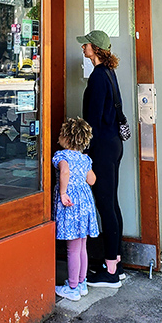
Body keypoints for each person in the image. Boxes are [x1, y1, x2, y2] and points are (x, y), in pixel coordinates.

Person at [79, 29, 125, 288]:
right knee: (112, 203)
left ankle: (110, 271)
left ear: (94, 48)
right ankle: (116, 262)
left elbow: (93, 120)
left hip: (102, 148)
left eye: (86, 44)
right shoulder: (109, 73)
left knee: (105, 204)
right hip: (114, 144)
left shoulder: (98, 76)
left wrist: (85, 155)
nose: (83, 48)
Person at [53, 118, 99, 301]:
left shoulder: (61, 156)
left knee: (72, 249)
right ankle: (82, 283)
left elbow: (64, 171)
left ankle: (72, 287)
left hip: (71, 205)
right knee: (82, 246)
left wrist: (63, 192)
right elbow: (92, 180)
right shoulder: (85, 159)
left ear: (66, 137)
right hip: (85, 205)